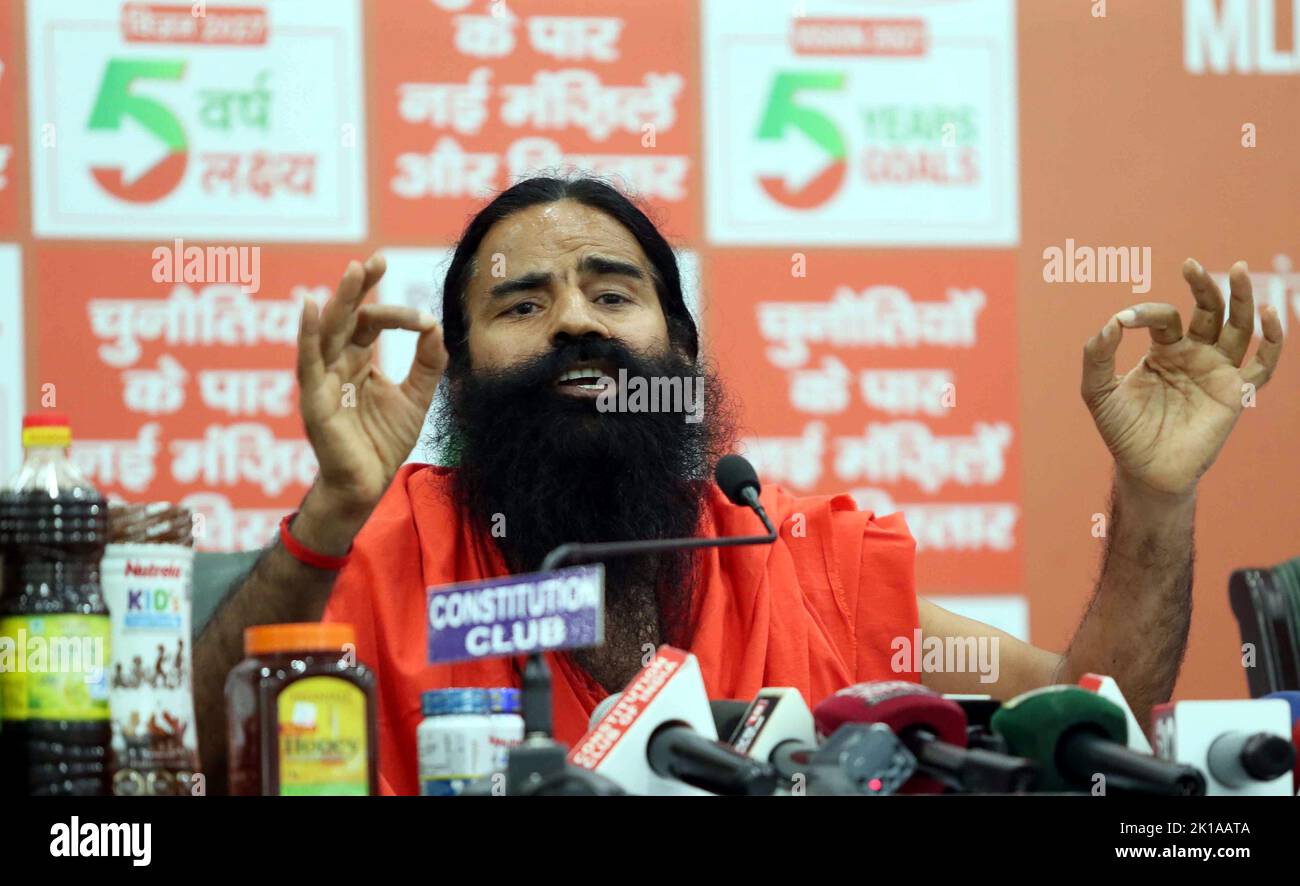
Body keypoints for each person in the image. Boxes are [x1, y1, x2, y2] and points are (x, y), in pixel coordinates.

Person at [194, 177, 1285, 795]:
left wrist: (1152, 500)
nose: (574, 318)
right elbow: (199, 755)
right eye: (521, 304)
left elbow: (1085, 717)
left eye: (612, 293)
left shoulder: (783, 546)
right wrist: (332, 512)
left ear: (679, 348)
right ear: (465, 375)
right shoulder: (386, 552)